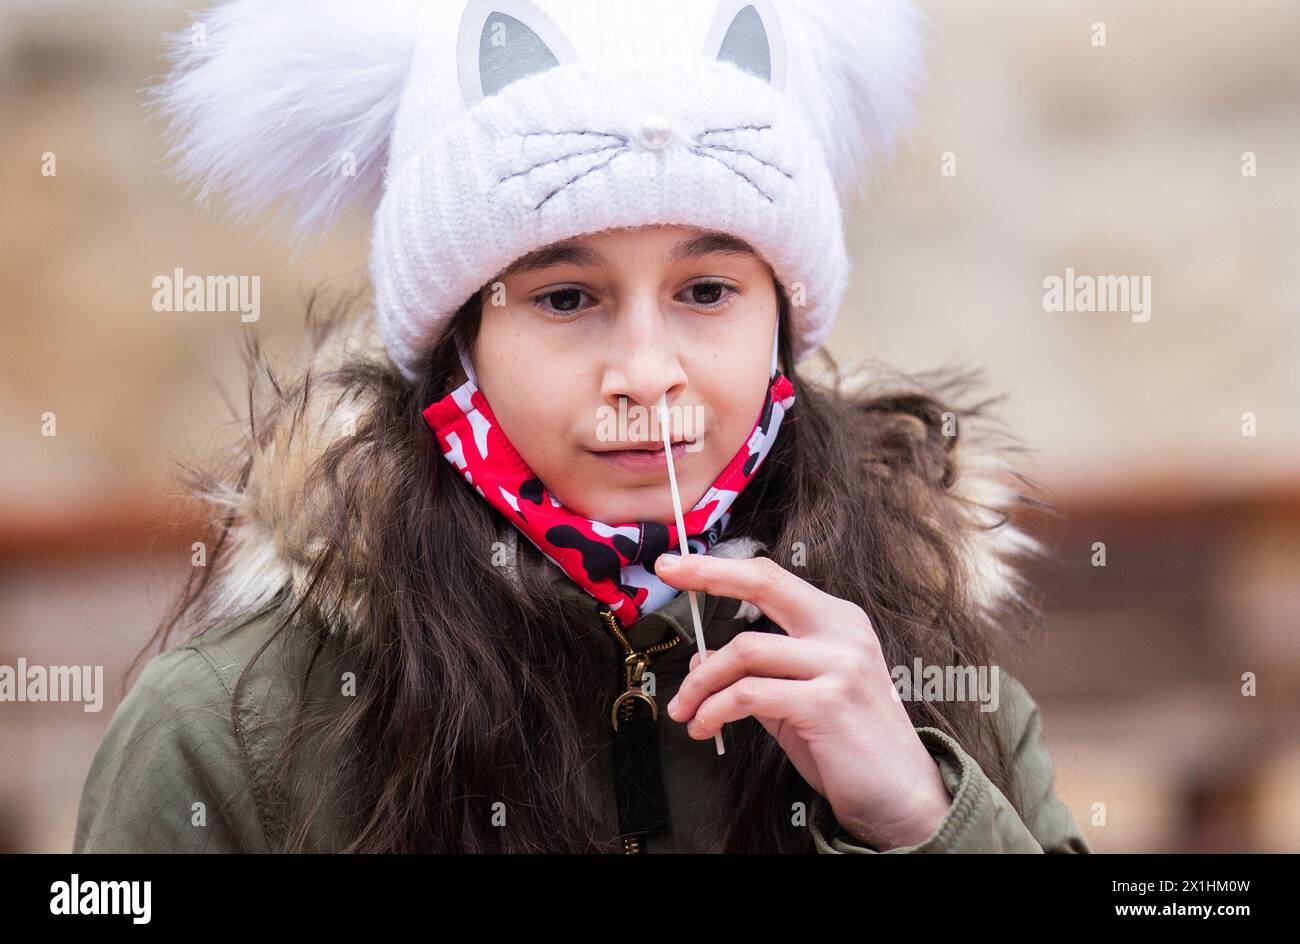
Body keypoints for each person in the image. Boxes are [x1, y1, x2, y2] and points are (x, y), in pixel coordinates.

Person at [74, 0, 1091, 853]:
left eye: (704, 288)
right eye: (565, 297)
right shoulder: (226, 736)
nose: (646, 374)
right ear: (460, 337)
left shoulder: (912, 670)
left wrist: (919, 813)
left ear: (780, 317)